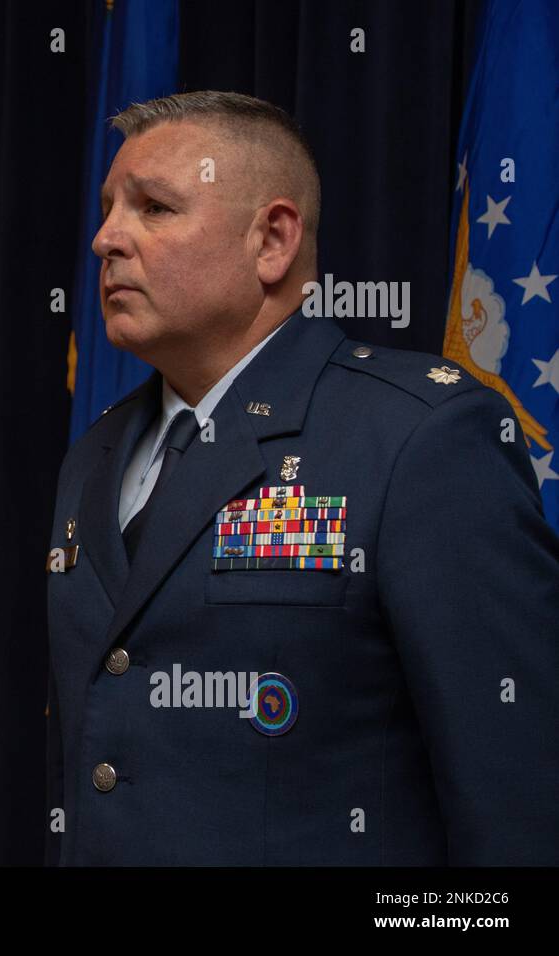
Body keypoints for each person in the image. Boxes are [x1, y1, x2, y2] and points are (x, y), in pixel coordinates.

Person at [45, 91, 559, 865]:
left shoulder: (417, 437)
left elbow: (518, 802)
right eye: (110, 207)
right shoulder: (94, 455)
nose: (105, 238)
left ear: (273, 241)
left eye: (153, 208)